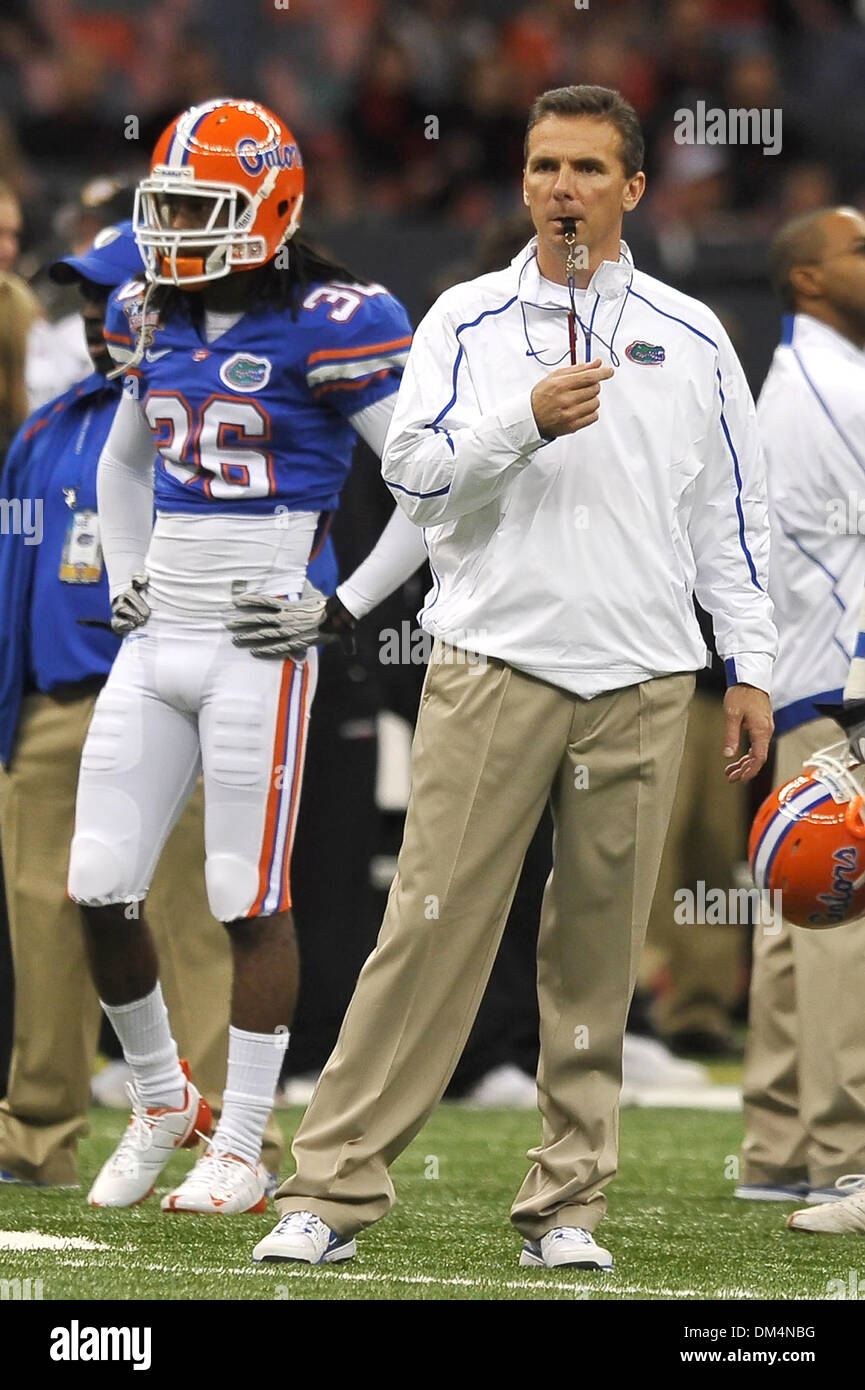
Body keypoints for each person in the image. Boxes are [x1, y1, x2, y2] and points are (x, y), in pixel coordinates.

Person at [251, 83, 776, 1272]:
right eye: (544, 166)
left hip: (644, 677)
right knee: (425, 932)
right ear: (522, 182)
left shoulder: (695, 336)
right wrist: (524, 422)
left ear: (633, 189)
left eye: (588, 169)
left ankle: (568, 1208)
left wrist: (749, 665)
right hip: (491, 662)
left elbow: (730, 519)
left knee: (593, 952)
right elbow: (418, 483)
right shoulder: (463, 320)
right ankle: (329, 1190)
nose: (561, 189)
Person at [66, 98, 413, 1216]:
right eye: (164, 207)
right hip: (159, 633)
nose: (174, 232)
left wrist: (342, 605)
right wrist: (125, 569)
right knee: (97, 885)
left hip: (259, 643)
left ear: (267, 210)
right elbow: (124, 462)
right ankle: (166, 1100)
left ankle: (249, 1143)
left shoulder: (330, 318)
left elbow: (426, 490)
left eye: (199, 209)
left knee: (242, 893)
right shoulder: (145, 314)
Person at [0, 222, 287, 1187]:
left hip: (184, 690)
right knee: (52, 924)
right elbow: (16, 572)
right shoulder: (47, 425)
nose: (92, 316)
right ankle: (36, 1137)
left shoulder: (217, 409)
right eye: (81, 299)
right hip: (55, 704)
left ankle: (226, 1141)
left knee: (207, 922)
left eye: (109, 296)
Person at [736, 206, 865, 1224]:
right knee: (841, 930)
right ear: (807, 281)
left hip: (805, 684)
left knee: (796, 921)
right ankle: (848, 1160)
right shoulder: (838, 387)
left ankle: (779, 1143)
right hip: (843, 689)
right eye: (858, 249)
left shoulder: (800, 378)